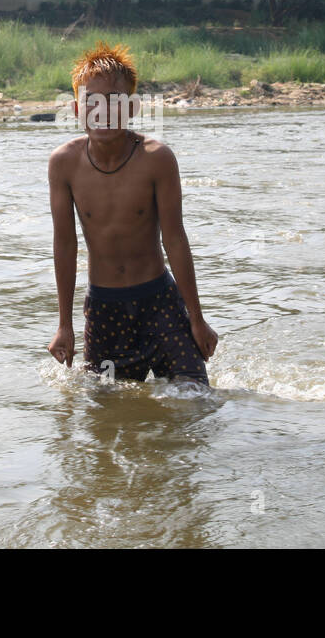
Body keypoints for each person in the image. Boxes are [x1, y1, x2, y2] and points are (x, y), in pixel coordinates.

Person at [46, 42, 218, 384]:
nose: (103, 111)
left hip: (160, 304)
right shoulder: (64, 164)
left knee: (194, 401)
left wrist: (196, 318)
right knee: (105, 416)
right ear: (77, 109)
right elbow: (65, 244)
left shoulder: (157, 159)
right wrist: (64, 325)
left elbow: (175, 238)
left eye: (114, 102)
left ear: (132, 108)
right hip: (104, 310)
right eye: (93, 102)